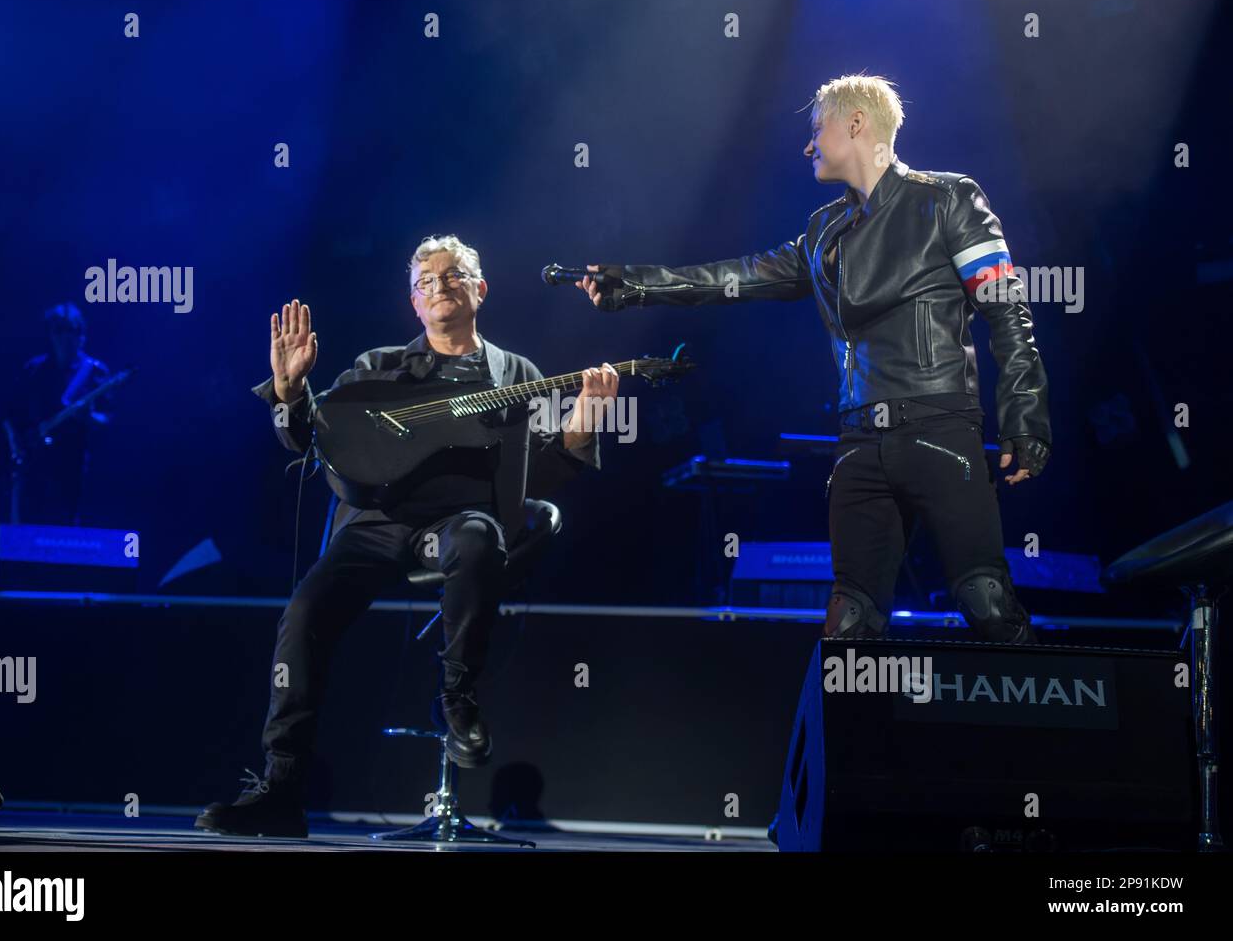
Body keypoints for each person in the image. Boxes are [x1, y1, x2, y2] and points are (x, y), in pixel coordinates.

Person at [573, 74, 1050, 644]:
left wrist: (1026, 414)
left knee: (986, 601)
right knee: (848, 625)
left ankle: (1053, 730)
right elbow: (740, 277)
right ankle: (856, 734)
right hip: (858, 445)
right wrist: (637, 284)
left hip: (940, 432)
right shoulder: (824, 228)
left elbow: (1006, 311)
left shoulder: (948, 198)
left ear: (856, 124)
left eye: (816, 127)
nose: (808, 145)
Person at [196, 234, 618, 838]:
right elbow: (317, 443)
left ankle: (456, 699)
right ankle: (282, 788)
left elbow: (533, 479)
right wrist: (291, 391)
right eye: (426, 283)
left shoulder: (514, 375)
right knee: (303, 614)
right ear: (413, 305)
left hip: (461, 520)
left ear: (480, 289)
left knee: (478, 537)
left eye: (452, 277)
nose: (439, 288)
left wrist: (579, 434)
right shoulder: (379, 367)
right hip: (378, 523)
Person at [4, 302, 112, 525]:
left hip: (74, 469)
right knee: (27, 534)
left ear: (81, 335)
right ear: (50, 334)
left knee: (68, 536)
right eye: (58, 330)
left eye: (71, 330)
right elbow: (10, 415)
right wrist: (17, 446)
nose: (64, 337)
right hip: (34, 468)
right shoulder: (34, 369)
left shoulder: (94, 371)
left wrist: (88, 418)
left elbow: (108, 419)